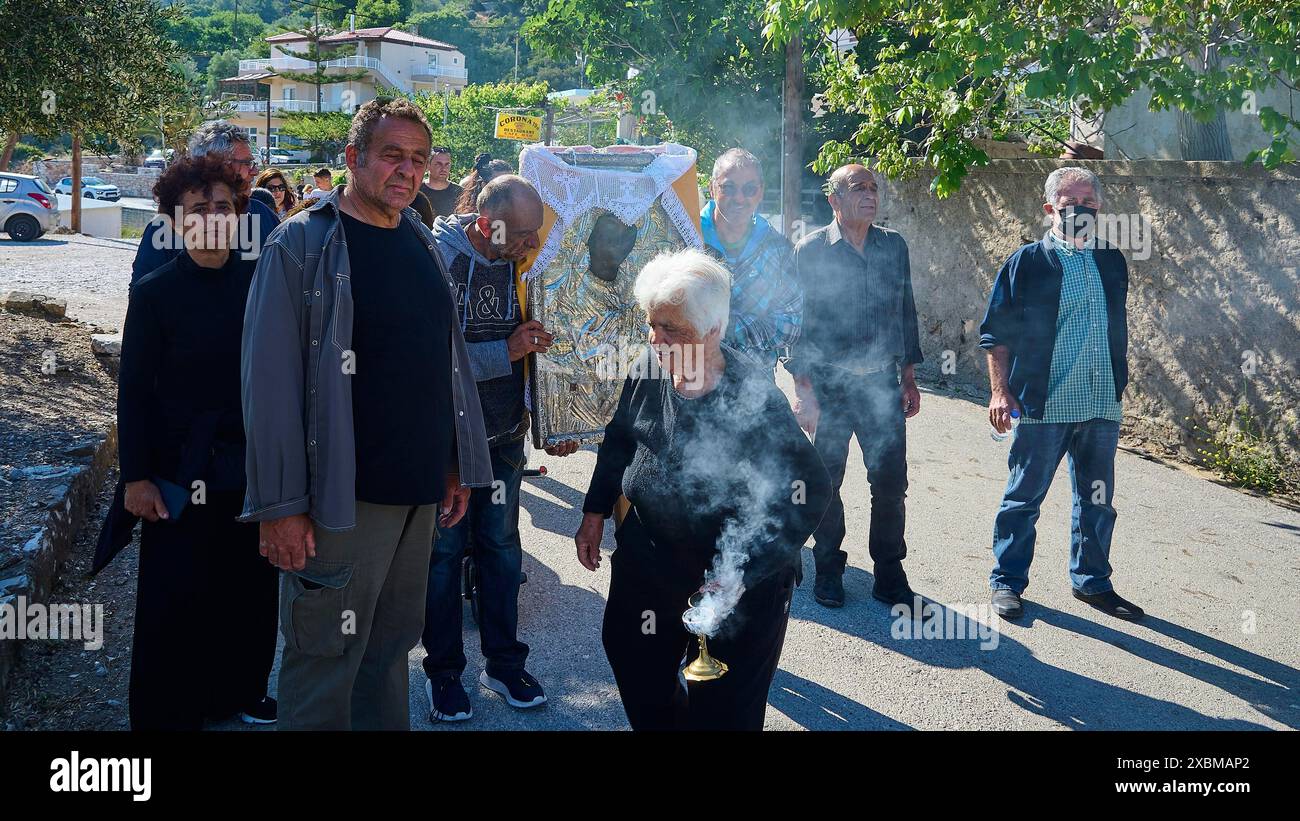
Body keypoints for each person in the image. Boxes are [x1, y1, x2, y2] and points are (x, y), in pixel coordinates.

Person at [239, 97, 494, 731]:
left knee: (387, 657)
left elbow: (443, 364)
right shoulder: (301, 244)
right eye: (390, 156)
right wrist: (280, 505)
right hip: (337, 502)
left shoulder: (418, 239)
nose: (407, 171)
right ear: (352, 159)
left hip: (414, 497)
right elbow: (267, 384)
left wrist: (453, 464)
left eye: (417, 159)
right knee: (325, 657)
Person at [576, 248, 830, 731]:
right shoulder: (648, 370)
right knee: (636, 664)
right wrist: (594, 511)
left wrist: (746, 569)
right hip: (650, 563)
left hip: (734, 580)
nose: (656, 340)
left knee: (724, 708)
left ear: (712, 329)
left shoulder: (753, 396)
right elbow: (619, 441)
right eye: (652, 325)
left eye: (673, 329)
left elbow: (809, 489)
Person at [114, 155, 278, 729]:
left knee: (248, 588)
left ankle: (241, 690)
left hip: (249, 466)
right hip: (176, 472)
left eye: (223, 206)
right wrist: (134, 479)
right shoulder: (156, 293)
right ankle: (167, 711)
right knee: (174, 595)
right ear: (175, 221)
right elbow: (133, 391)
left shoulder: (263, 285)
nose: (212, 215)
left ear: (239, 215)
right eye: (198, 207)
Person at [422, 174, 577, 721]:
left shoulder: (528, 264)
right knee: (441, 560)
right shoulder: (438, 258)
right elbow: (430, 354)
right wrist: (505, 350)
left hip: (506, 439)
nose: (534, 244)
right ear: (486, 224)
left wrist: (558, 419)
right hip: (448, 446)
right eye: (524, 234)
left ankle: (505, 665)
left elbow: (560, 335)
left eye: (537, 232)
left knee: (503, 554)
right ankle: (443, 674)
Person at [980, 166, 1143, 622]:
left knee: (1096, 499)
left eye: (1090, 203)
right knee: (1024, 497)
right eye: (1073, 205)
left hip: (1100, 404)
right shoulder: (1027, 263)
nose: (1083, 211)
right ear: (1051, 209)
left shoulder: (1111, 261)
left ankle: (1092, 581)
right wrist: (999, 391)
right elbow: (996, 333)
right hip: (1044, 404)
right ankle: (1007, 582)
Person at [784, 164, 924, 610]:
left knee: (889, 482)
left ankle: (889, 572)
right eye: (858, 187)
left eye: (873, 187)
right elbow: (795, 327)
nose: (869, 194)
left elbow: (906, 310)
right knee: (826, 481)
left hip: (882, 385)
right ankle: (828, 567)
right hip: (830, 387)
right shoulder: (809, 251)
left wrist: (909, 375)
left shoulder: (893, 246)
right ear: (834, 200)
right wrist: (803, 389)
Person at [131, 121, 278, 284]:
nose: (255, 171)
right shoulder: (167, 225)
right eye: (246, 163)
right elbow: (142, 295)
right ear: (218, 165)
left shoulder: (264, 216)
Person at [700, 148, 802, 372]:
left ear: (760, 192)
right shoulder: (688, 239)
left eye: (749, 189)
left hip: (756, 388)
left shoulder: (778, 248)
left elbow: (789, 327)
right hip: (691, 381)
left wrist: (721, 329)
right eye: (728, 188)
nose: (739, 198)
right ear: (711, 187)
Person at [420, 145, 462, 218]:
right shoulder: (416, 191)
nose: (443, 168)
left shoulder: (460, 193)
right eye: (438, 164)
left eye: (447, 164)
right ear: (428, 165)